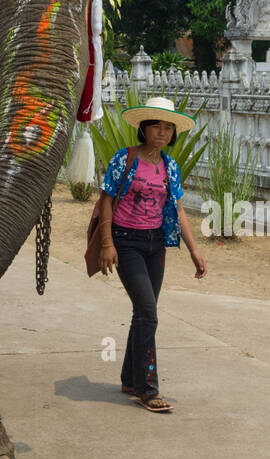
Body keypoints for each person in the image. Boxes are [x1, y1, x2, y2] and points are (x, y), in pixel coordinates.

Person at [87, 96, 207, 413]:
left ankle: (129, 377)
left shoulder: (170, 166)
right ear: (144, 128)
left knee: (144, 313)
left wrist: (194, 249)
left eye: (169, 128)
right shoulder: (124, 159)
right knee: (148, 313)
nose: (163, 132)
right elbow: (107, 200)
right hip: (126, 242)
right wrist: (108, 243)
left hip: (156, 245)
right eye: (157, 126)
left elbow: (178, 208)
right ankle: (147, 387)